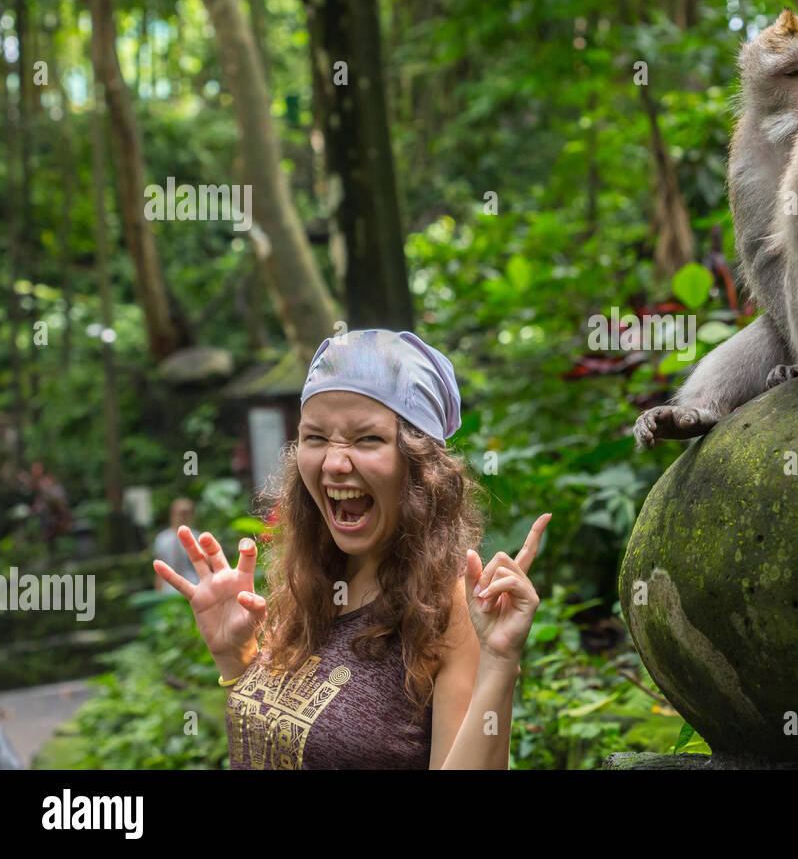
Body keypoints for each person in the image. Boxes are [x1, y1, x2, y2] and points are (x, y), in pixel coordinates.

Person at [153, 329, 548, 769]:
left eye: (367, 440)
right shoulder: (313, 581)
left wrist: (499, 663)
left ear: (420, 467)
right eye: (316, 438)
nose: (334, 463)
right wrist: (236, 656)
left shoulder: (451, 609)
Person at [152, 498, 199, 593]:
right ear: (172, 514)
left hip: (194, 585)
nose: (183, 517)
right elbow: (159, 568)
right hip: (169, 588)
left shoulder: (198, 538)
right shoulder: (162, 539)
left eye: (187, 513)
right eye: (180, 513)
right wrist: (158, 591)